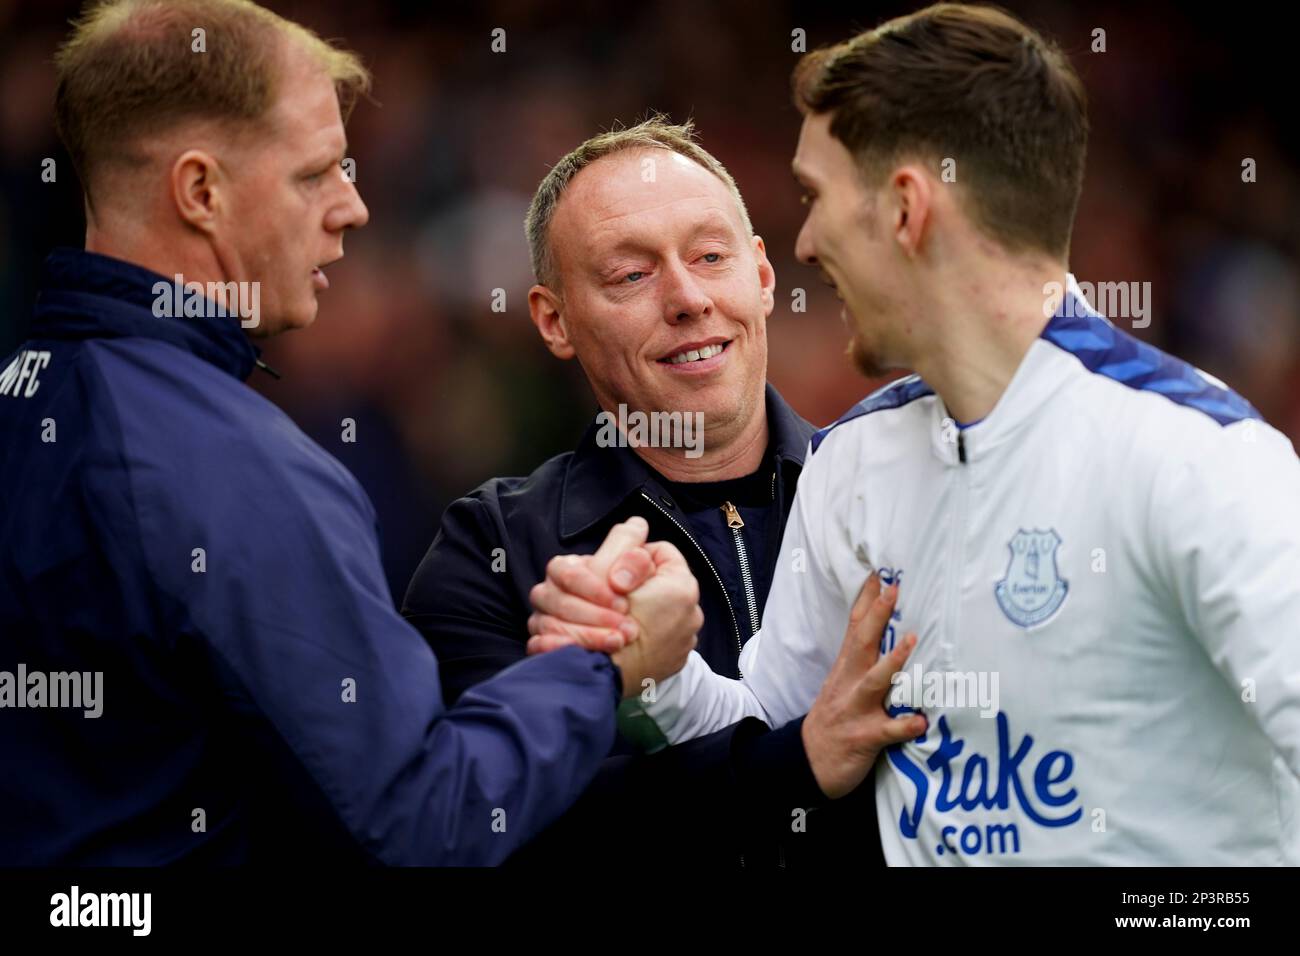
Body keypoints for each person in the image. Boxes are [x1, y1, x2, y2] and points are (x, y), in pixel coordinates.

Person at [536, 3, 1300, 864]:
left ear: (905, 210)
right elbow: (775, 727)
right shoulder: (854, 463)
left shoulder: (1200, 457)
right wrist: (660, 669)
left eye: (817, 198)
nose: (807, 243)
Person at [0, 0, 699, 866]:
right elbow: (421, 823)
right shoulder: (233, 467)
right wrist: (604, 669)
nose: (353, 207)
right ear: (200, 192)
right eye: (316, 173)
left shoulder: (29, 397)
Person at [402, 117, 920, 867]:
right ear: (554, 321)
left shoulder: (902, 494)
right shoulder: (494, 553)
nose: (686, 298)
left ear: (763, 277)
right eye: (630, 275)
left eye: (711, 256)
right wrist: (794, 766)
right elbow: (491, 836)